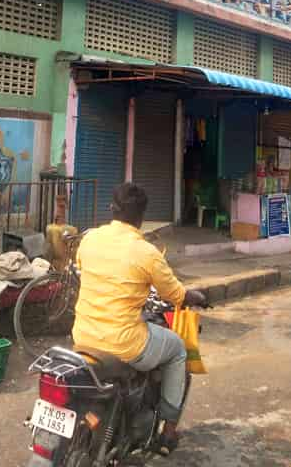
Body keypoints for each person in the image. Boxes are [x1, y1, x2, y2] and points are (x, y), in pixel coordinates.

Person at [71, 183, 209, 456]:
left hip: (83, 338)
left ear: (112, 209)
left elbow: (85, 268)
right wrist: (196, 296)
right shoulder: (146, 252)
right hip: (123, 344)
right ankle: (168, 434)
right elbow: (175, 294)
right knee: (177, 349)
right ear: (141, 217)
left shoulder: (90, 239)